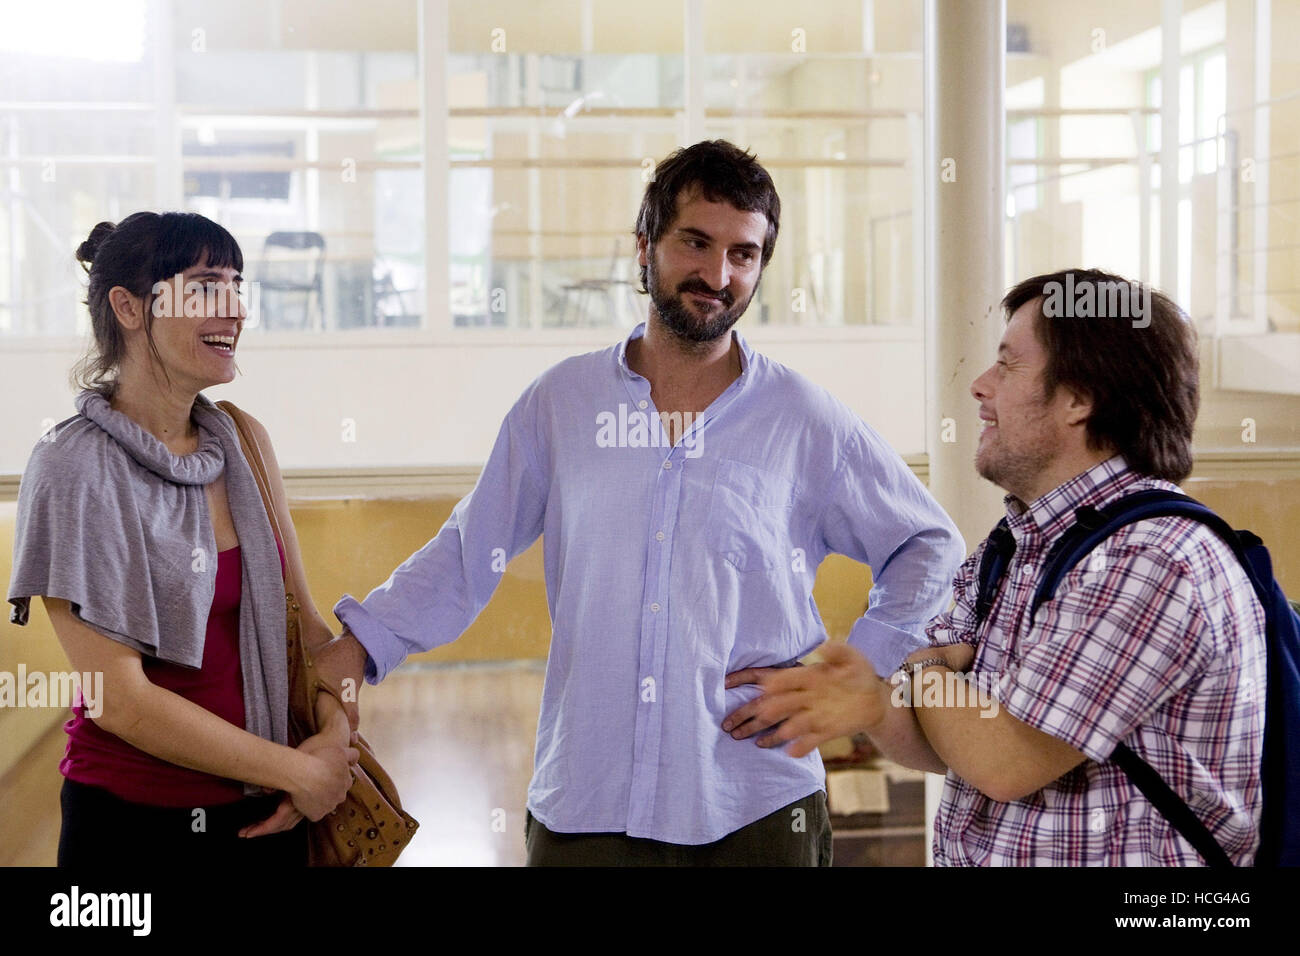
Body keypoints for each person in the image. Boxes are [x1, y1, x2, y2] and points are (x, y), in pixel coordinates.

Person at [318, 139, 965, 865]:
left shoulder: (806, 421)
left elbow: (929, 545)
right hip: (587, 805)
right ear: (644, 247)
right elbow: (472, 551)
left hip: (755, 804)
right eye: (696, 242)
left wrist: (861, 669)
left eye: (744, 255)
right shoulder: (561, 404)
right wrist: (357, 646)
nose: (718, 275)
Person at [724, 268, 1267, 865]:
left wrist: (922, 665)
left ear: (1080, 399)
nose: (981, 386)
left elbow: (1003, 761)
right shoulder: (1013, 548)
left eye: (1007, 365)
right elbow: (944, 742)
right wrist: (875, 704)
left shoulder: (1151, 560)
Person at [7, 212, 358, 867]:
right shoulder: (71, 465)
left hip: (273, 812)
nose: (235, 309)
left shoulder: (244, 440)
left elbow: (308, 634)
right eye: (204, 286)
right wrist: (297, 770)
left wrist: (333, 739)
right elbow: (122, 701)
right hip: (134, 828)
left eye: (236, 284)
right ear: (130, 308)